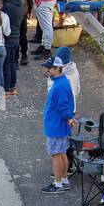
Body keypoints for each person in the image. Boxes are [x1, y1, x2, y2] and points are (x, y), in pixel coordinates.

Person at [42, 56, 77, 192]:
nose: (47, 70)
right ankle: (64, 180)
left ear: (57, 68)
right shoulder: (63, 81)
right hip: (60, 125)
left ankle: (57, 184)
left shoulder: (59, 85)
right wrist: (69, 118)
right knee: (62, 152)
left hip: (56, 125)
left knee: (56, 154)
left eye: (49, 68)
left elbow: (63, 105)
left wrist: (68, 117)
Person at [1, 0, 24, 96]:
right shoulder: (19, 2)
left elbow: (2, 22)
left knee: (6, 63)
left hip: (8, 37)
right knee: (12, 62)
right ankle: (12, 86)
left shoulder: (7, 7)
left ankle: (7, 87)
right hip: (17, 36)